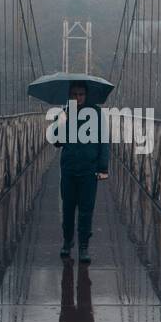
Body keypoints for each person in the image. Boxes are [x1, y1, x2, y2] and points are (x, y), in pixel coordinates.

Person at [54, 82, 108, 263]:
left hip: (89, 169)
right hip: (69, 168)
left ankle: (84, 246)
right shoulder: (63, 113)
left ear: (87, 95)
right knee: (68, 208)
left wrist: (103, 168)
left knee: (86, 209)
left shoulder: (97, 114)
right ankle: (67, 241)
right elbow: (56, 142)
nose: (78, 98)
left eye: (81, 94)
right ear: (69, 96)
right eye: (74, 94)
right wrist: (63, 122)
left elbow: (103, 141)